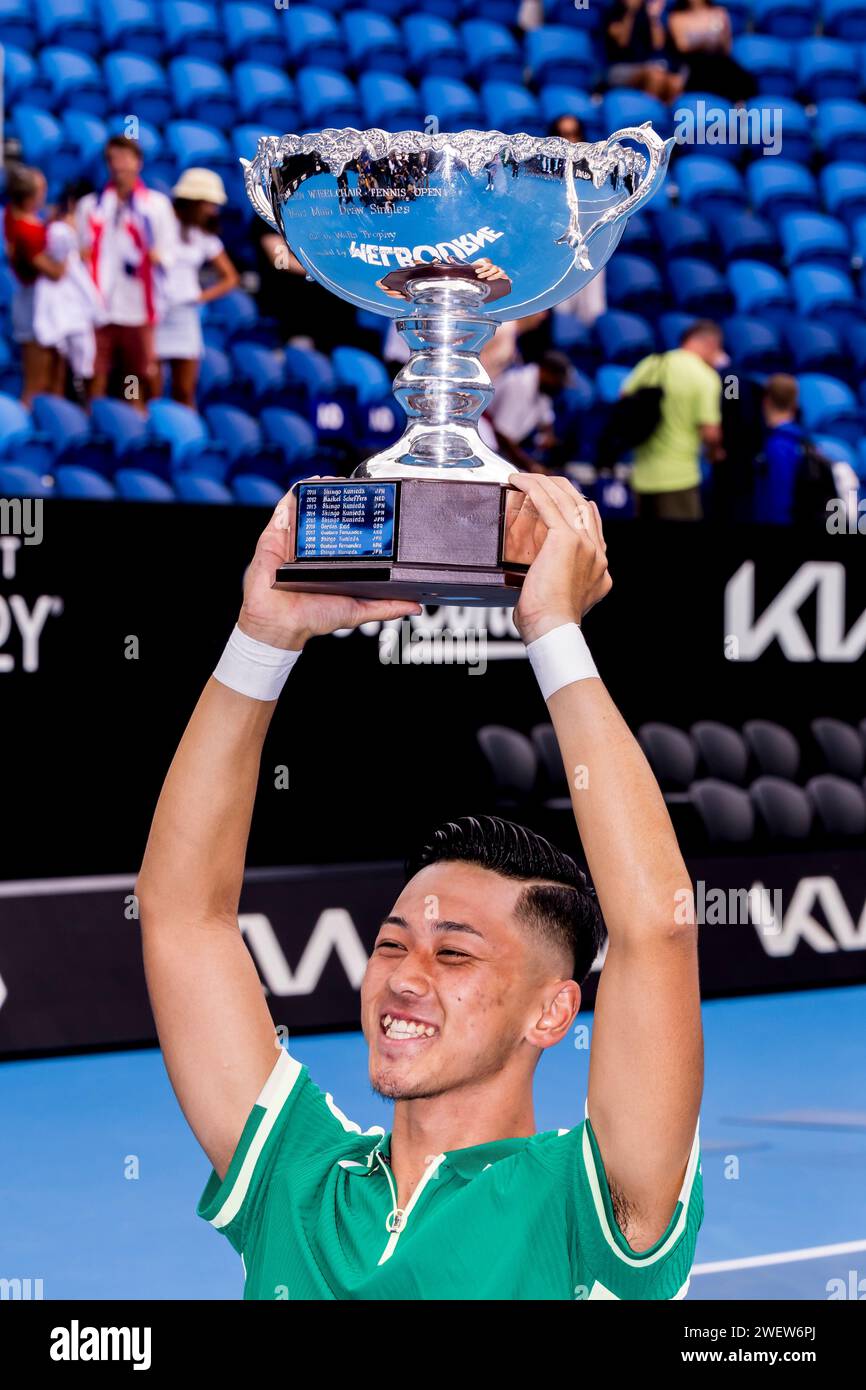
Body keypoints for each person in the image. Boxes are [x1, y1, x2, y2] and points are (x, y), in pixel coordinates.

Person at [136, 476, 704, 1300]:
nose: (403, 975)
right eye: (392, 943)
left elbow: (659, 927)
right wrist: (264, 638)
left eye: (453, 954)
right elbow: (183, 916)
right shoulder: (298, 1181)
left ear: (553, 1012)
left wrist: (551, 632)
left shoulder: (589, 1208)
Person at [76, 136, 178, 413]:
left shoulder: (156, 206)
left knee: (140, 373)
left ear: (138, 162)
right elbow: (80, 251)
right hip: (100, 305)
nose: (118, 165)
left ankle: (144, 422)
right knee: (95, 372)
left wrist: (156, 257)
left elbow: (170, 251)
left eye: (124, 158)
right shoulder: (91, 205)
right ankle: (94, 420)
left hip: (139, 305)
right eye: (112, 159)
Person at [621, 319, 726, 520]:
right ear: (711, 344)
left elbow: (624, 399)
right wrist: (715, 452)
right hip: (680, 479)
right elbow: (710, 432)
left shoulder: (651, 363)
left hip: (642, 477)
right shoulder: (705, 376)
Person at [156, 169, 239, 408]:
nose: (213, 210)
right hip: (156, 313)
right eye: (209, 204)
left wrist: (198, 297)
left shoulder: (204, 235)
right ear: (194, 201)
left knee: (184, 389)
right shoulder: (160, 224)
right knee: (151, 385)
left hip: (185, 317)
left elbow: (230, 277)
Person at [32, 180, 102, 403]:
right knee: (53, 373)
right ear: (72, 204)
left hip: (75, 310)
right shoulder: (60, 231)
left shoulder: (76, 230)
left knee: (72, 370)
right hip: (58, 307)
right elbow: (60, 270)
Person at [2, 164, 65, 405]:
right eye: (41, 189)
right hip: (35, 306)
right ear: (30, 196)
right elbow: (55, 272)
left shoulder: (12, 215)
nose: (45, 193)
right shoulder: (27, 231)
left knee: (51, 380)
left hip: (36, 302)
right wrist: (68, 247)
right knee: (37, 383)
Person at [485, 350, 573, 472]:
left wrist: (548, 436)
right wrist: (531, 466)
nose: (560, 386)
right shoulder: (518, 383)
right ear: (545, 371)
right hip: (488, 444)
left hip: (508, 447)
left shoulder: (543, 388)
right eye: (558, 380)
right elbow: (502, 434)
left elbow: (546, 421)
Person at [667, 0, 757, 104]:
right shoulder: (677, 17)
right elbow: (682, 46)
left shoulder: (719, 12)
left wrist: (713, 40)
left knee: (736, 76)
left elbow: (727, 47)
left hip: (718, 59)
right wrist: (704, 40)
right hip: (693, 62)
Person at [605, 0, 685, 102]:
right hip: (619, 67)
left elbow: (658, 44)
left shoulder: (646, 12)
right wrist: (630, 13)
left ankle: (665, 115)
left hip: (646, 65)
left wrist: (654, 18)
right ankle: (648, 112)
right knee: (655, 76)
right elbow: (622, 42)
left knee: (674, 82)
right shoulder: (615, 11)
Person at [750, 375, 805, 524]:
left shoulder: (778, 446)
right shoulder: (801, 440)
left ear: (766, 401)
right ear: (795, 403)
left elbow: (780, 503)